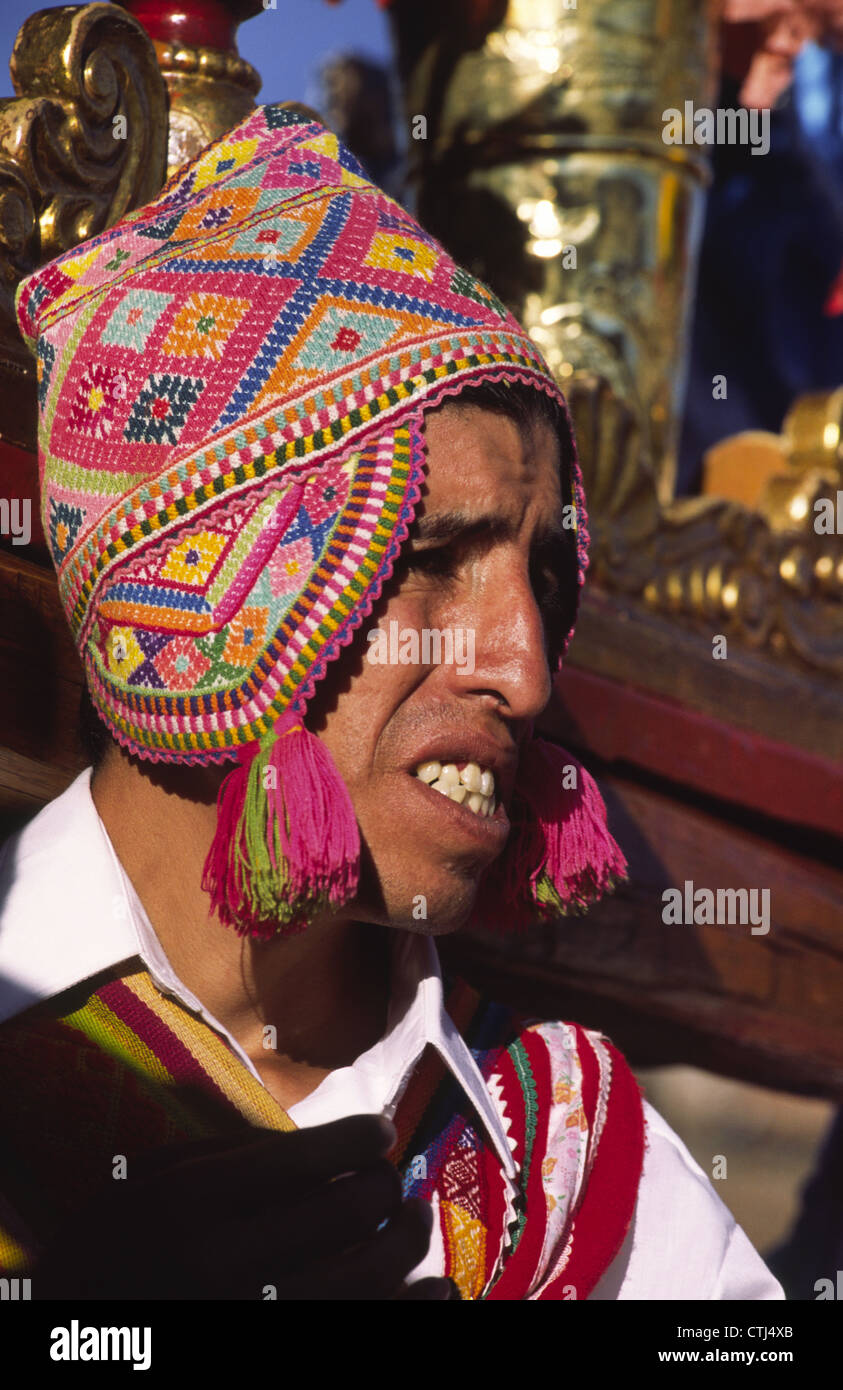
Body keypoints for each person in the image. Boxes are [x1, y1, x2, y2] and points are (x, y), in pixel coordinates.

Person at [0, 104, 782, 1300]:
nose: (524, 672)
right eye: (433, 556)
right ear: (205, 601)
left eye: (546, 578)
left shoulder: (565, 1161)